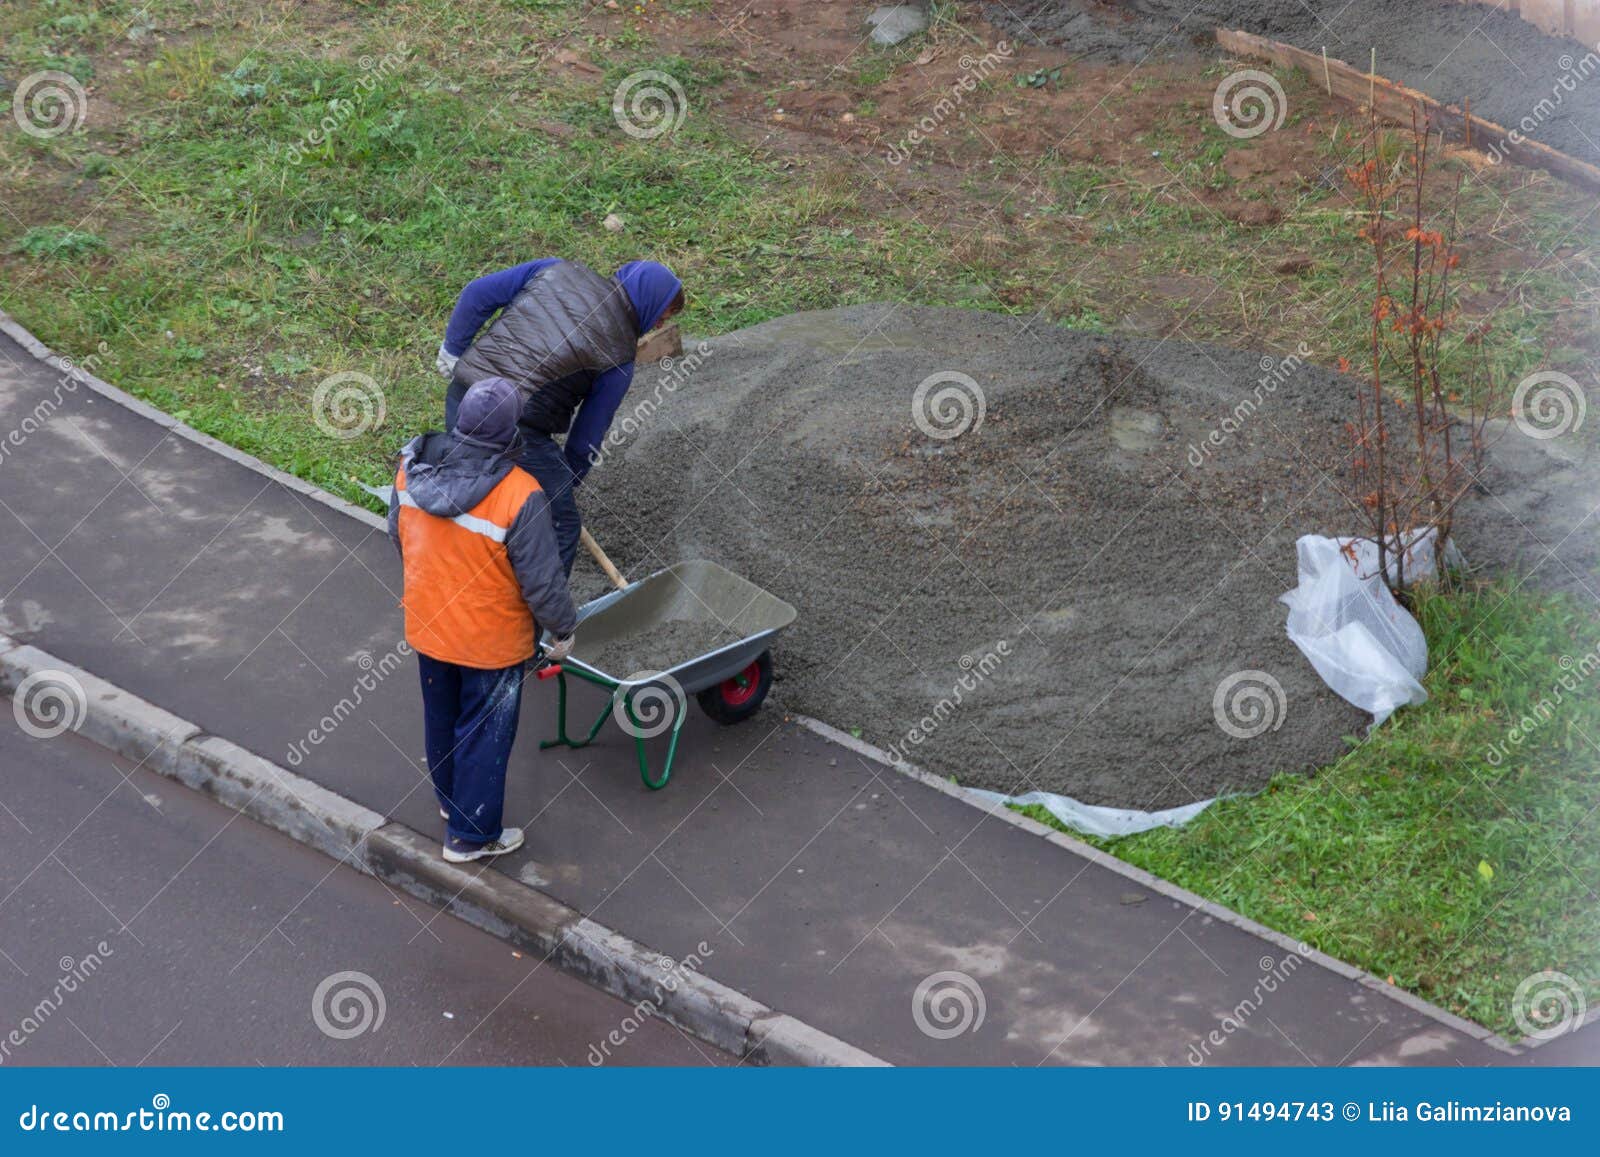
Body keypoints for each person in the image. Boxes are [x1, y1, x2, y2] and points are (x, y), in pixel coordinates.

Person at [388, 377, 579, 863]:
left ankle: (453, 807)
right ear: (511, 431)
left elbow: (399, 536)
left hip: (429, 626)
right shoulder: (520, 493)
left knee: (442, 718)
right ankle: (471, 838)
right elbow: (542, 581)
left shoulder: (411, 471)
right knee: (483, 734)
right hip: (490, 642)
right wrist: (563, 628)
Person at [436, 257, 684, 576]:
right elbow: (586, 439)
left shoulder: (556, 269)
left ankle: (463, 589)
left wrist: (453, 348)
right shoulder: (620, 354)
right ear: (647, 302)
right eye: (662, 316)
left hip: (464, 400)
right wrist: (566, 483)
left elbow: (477, 293)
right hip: (516, 433)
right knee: (560, 524)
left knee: (474, 498)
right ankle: (543, 622)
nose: (660, 326)